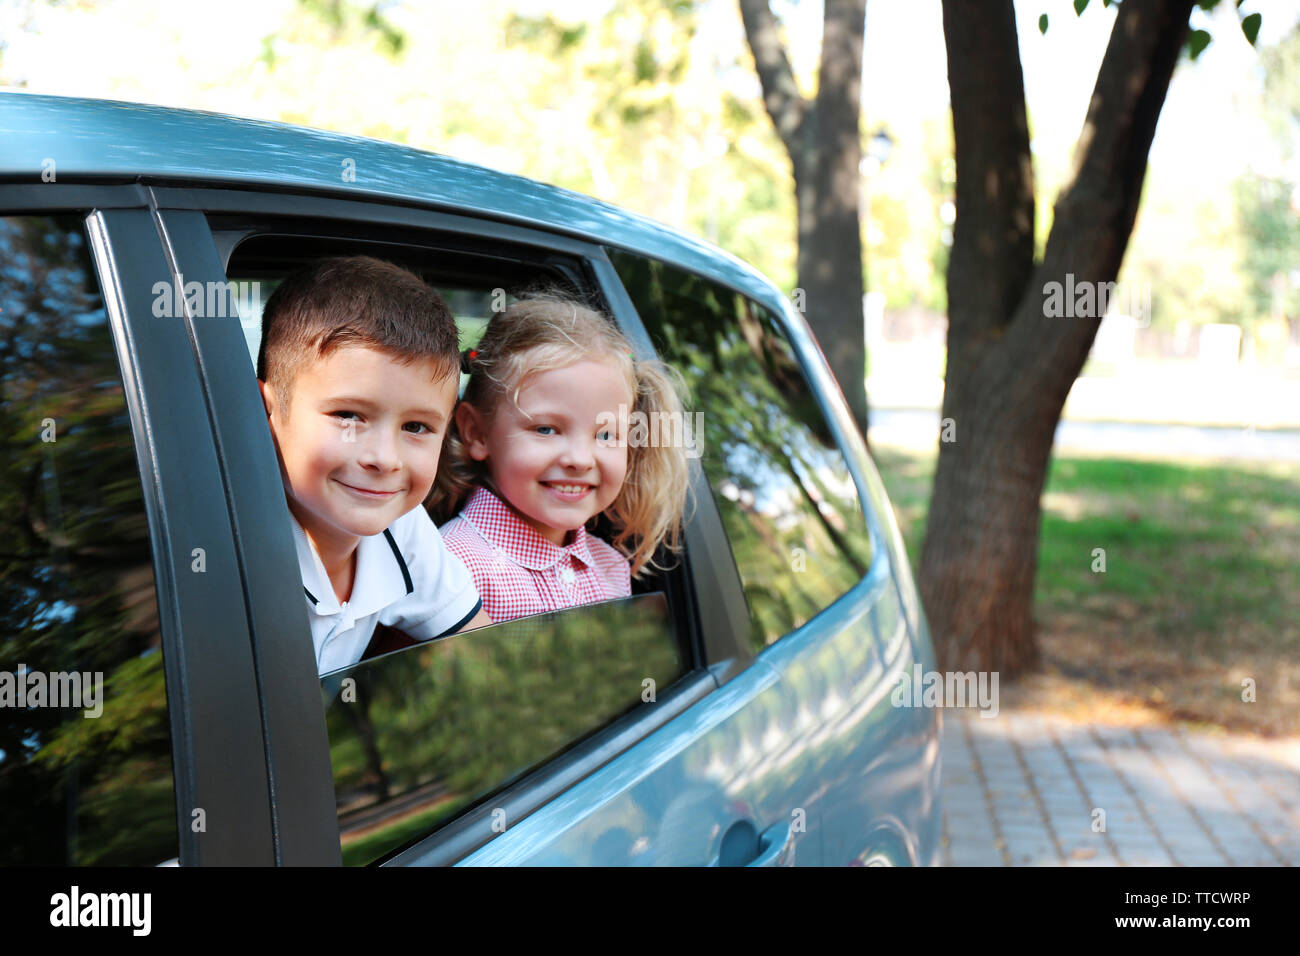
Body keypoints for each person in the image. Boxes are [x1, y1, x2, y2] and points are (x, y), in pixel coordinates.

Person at [257, 256, 492, 675]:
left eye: (416, 426)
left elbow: (485, 662)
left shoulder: (403, 527)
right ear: (267, 412)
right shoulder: (235, 550)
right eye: (348, 416)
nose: (384, 459)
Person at [430, 294, 691, 623]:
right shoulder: (451, 569)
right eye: (546, 429)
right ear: (477, 432)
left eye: (606, 435)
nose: (580, 460)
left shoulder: (611, 568)